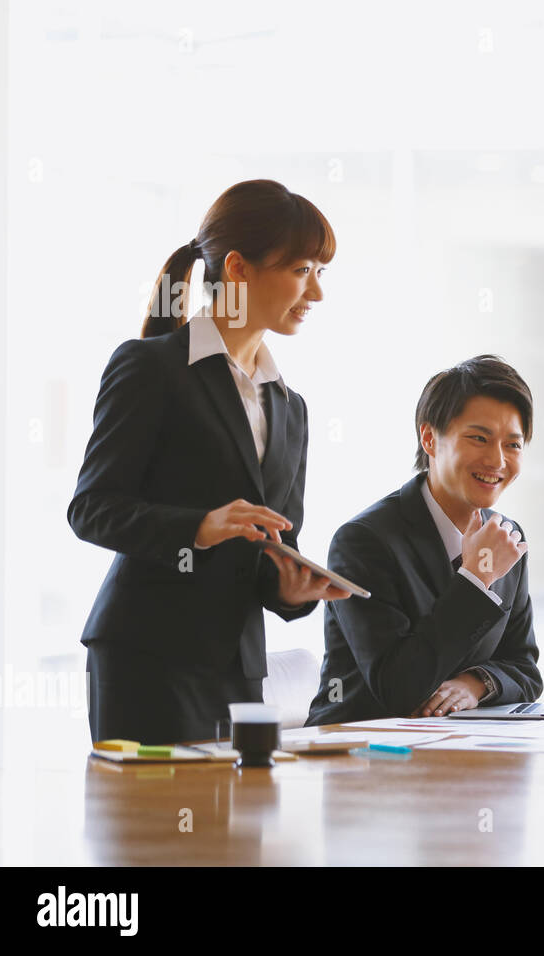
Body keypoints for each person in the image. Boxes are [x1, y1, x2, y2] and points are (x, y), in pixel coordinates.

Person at [69, 180, 350, 745]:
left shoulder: (290, 408)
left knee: (235, 833)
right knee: (154, 831)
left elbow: (274, 546)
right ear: (241, 270)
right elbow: (92, 509)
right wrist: (199, 527)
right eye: (302, 270)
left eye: (321, 273)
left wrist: (291, 590)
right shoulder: (151, 368)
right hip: (147, 660)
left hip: (239, 672)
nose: (315, 293)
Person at [305, 355, 543, 725]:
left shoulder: (506, 537)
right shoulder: (362, 543)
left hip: (462, 754)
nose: (497, 460)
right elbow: (398, 688)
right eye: (479, 438)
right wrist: (475, 579)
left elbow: (525, 669)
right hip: (361, 756)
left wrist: (475, 684)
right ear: (430, 438)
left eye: (512, 445)